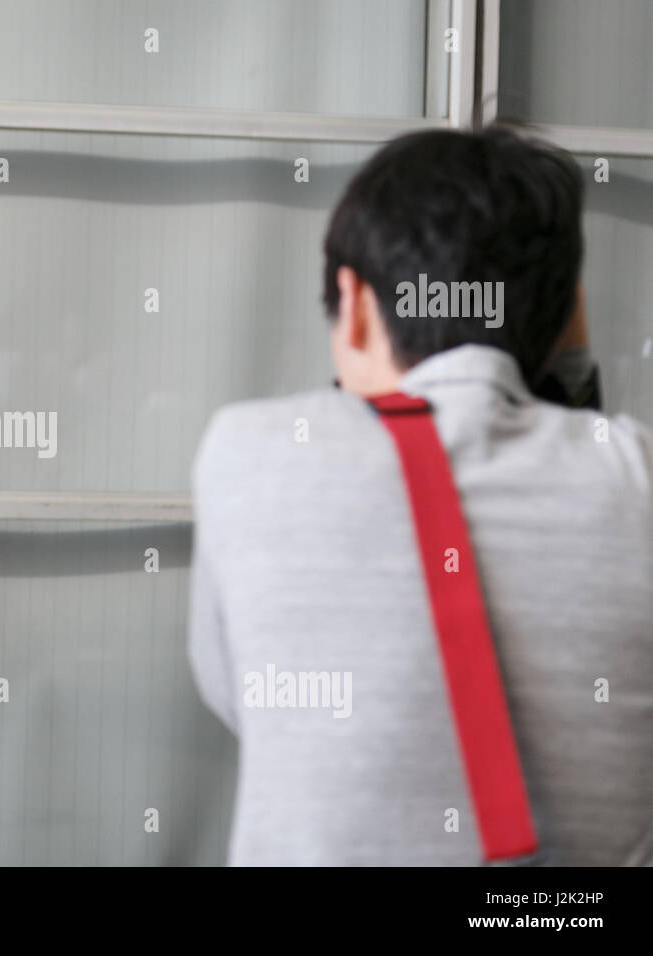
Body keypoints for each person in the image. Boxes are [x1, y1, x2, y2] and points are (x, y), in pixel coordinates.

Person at [187, 124, 653, 865]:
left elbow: (251, 702)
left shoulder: (246, 455)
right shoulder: (635, 475)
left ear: (355, 302)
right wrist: (570, 374)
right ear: (564, 316)